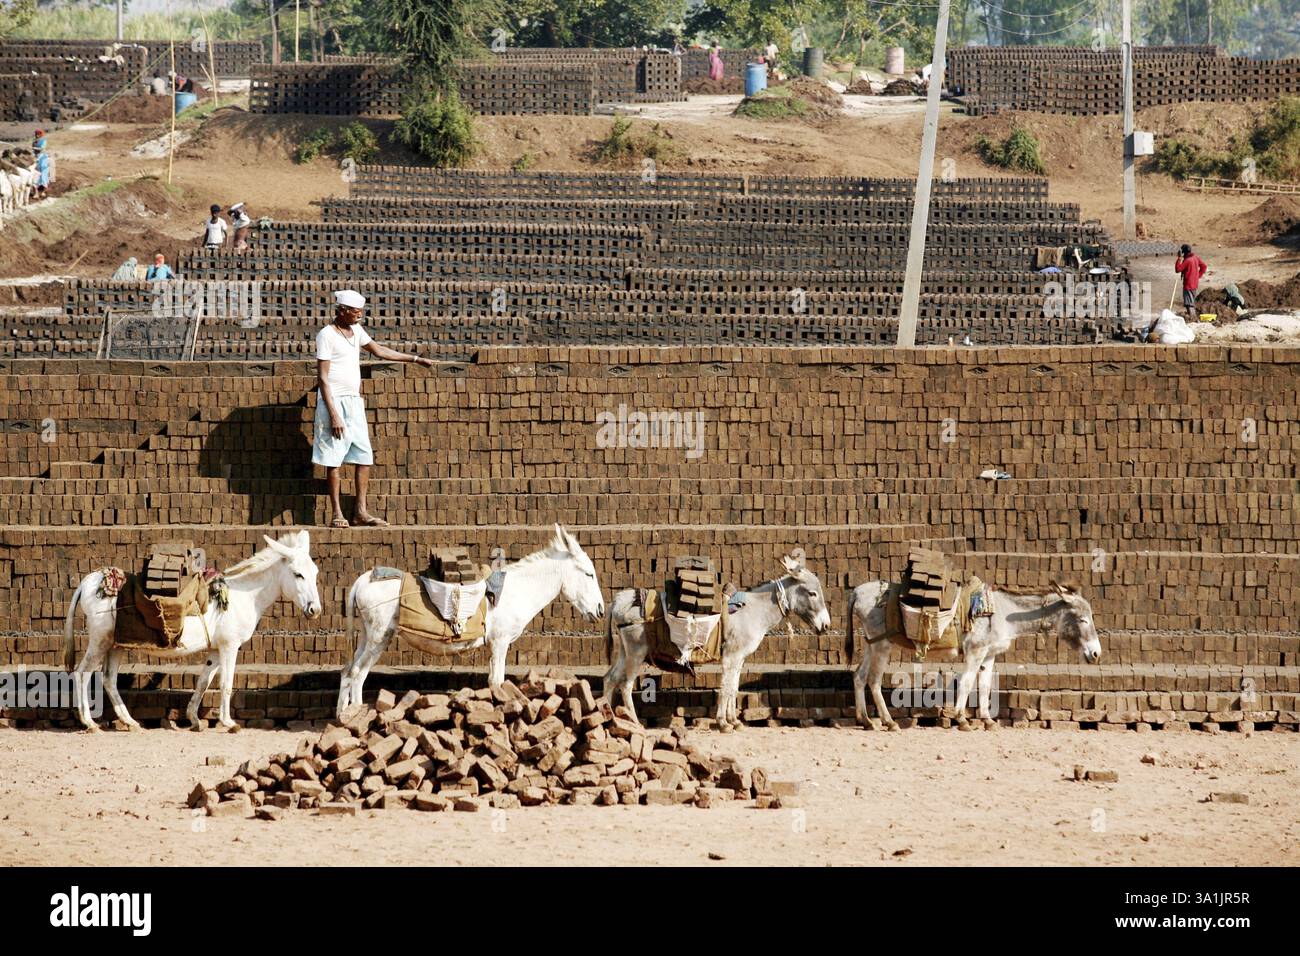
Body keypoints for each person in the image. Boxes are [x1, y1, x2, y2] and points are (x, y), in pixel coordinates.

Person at [314, 289, 435, 528]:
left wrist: (414, 359)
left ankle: (360, 512)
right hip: (334, 402)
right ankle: (337, 513)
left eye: (361, 311)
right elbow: (323, 377)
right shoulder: (326, 335)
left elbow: (379, 351)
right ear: (342, 310)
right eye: (355, 311)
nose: (360, 315)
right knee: (334, 458)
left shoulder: (356, 331)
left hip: (354, 402)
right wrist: (334, 414)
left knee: (364, 456)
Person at [1174, 244, 1208, 322]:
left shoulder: (1187, 260)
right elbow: (1204, 266)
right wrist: (1198, 276)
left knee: (1189, 303)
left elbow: (1178, 269)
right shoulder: (1195, 257)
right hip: (1194, 283)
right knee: (1190, 301)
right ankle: (1193, 318)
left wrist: (1179, 258)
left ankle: (1194, 319)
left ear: (1183, 252)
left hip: (1188, 284)